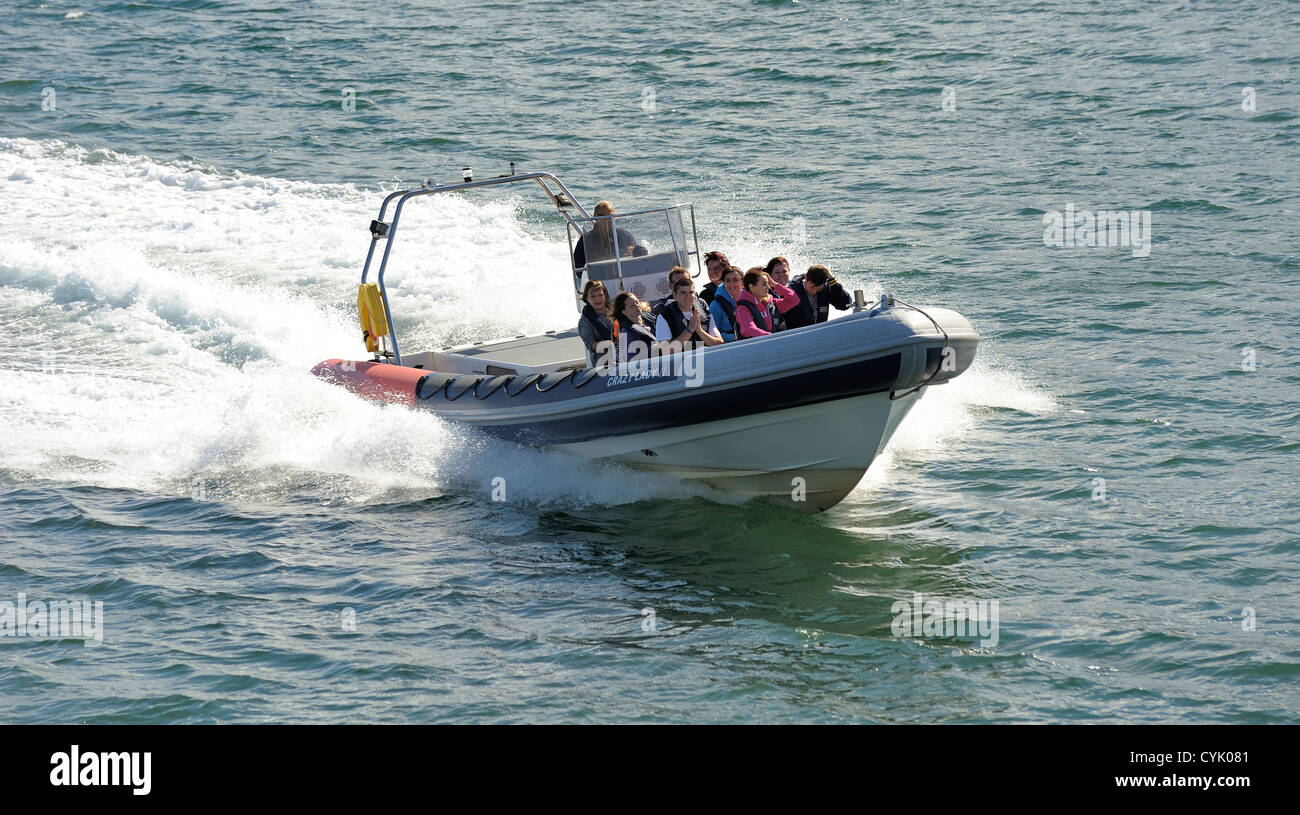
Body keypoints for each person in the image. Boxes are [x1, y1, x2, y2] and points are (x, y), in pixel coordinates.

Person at [655, 278, 724, 349]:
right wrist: (689, 330)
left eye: (691, 292)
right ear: (674, 295)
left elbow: (719, 343)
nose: (688, 296)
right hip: (682, 359)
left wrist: (700, 331)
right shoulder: (664, 317)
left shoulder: (705, 313)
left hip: (705, 358)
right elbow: (665, 350)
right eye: (683, 293)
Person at [572, 201, 642, 268]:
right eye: (603, 216)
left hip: (624, 276)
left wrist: (638, 251)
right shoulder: (585, 239)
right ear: (595, 216)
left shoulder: (625, 235)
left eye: (611, 216)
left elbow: (639, 257)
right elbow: (577, 266)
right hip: (596, 278)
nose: (608, 220)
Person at [734, 269, 801, 339]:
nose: (768, 287)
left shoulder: (772, 304)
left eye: (768, 283)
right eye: (764, 284)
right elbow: (749, 329)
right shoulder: (743, 308)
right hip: (755, 348)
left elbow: (794, 300)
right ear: (751, 287)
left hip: (772, 344)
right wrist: (772, 338)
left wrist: (775, 285)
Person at [783, 264, 852, 330]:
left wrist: (832, 280)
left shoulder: (825, 288)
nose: (814, 291)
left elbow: (844, 305)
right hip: (797, 335)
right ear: (806, 279)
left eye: (818, 289)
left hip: (819, 334)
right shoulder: (791, 290)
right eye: (812, 287)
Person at [611, 291, 658, 363]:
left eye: (637, 302)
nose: (637, 306)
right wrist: (656, 347)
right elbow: (632, 358)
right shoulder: (627, 332)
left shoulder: (649, 317)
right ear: (624, 312)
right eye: (632, 306)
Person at [576, 280, 614, 368]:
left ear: (605, 295)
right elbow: (591, 345)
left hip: (624, 358)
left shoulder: (615, 310)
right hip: (604, 364)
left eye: (600, 295)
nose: (597, 299)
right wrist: (609, 344)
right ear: (587, 299)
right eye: (593, 296)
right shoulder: (584, 321)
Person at [707, 265, 744, 342]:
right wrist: (734, 337)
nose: (732, 284)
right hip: (729, 346)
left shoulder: (751, 299)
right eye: (727, 281)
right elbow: (711, 334)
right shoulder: (716, 305)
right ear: (723, 283)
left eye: (735, 280)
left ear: (742, 281)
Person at [763, 256, 793, 332]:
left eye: (784, 271)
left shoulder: (794, 289)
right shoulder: (764, 293)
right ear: (769, 275)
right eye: (777, 272)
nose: (781, 275)